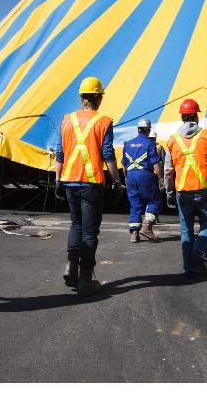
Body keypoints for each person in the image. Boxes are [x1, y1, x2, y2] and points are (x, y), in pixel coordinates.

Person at [54, 76, 120, 296]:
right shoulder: (104, 121)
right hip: (91, 183)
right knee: (90, 231)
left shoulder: (66, 120)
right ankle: (85, 279)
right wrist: (117, 181)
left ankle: (70, 266)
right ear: (98, 98)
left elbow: (60, 153)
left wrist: (57, 179)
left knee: (76, 225)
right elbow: (108, 154)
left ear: (82, 97)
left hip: (69, 180)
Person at [164, 98, 207, 276]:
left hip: (182, 191)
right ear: (196, 116)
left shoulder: (173, 140)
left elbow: (168, 170)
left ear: (182, 117)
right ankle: (199, 250)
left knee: (186, 229)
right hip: (204, 188)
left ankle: (189, 266)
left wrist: (168, 192)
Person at [122, 118, 163, 243]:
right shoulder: (150, 143)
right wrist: (161, 178)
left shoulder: (128, 144)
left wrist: (125, 178)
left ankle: (134, 234)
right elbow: (155, 163)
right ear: (148, 130)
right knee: (154, 201)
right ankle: (147, 227)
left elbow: (124, 164)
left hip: (130, 176)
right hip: (145, 175)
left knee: (135, 205)